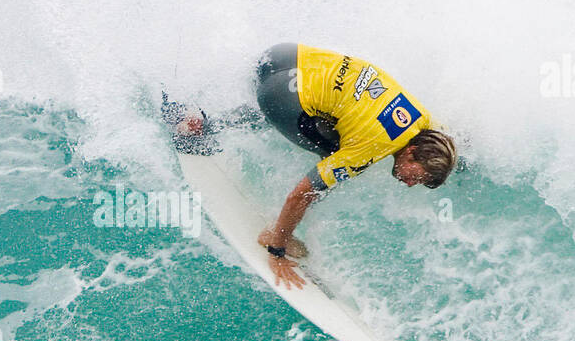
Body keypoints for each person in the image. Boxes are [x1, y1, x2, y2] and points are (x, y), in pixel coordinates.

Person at [166, 43, 458, 289]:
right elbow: (301, 192)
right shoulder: (373, 146)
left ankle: (199, 123)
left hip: (283, 56)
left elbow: (449, 142)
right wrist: (278, 252)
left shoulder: (424, 121)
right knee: (328, 165)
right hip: (279, 93)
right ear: (411, 152)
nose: (410, 184)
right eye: (415, 177)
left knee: (323, 113)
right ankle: (276, 233)